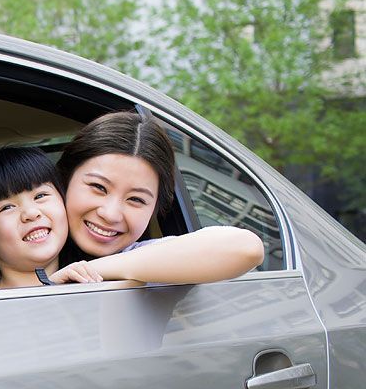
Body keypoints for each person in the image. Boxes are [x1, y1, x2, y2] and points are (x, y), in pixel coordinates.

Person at [54, 108, 264, 283]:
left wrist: (90, 269)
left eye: (136, 199)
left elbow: (246, 248)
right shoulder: (25, 243)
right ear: (64, 180)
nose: (111, 214)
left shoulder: (150, 261)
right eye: (99, 187)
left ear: (154, 209)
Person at [0, 146, 100, 293]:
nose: (31, 213)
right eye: (7, 207)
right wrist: (49, 286)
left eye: (40, 196)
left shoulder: (95, 277)